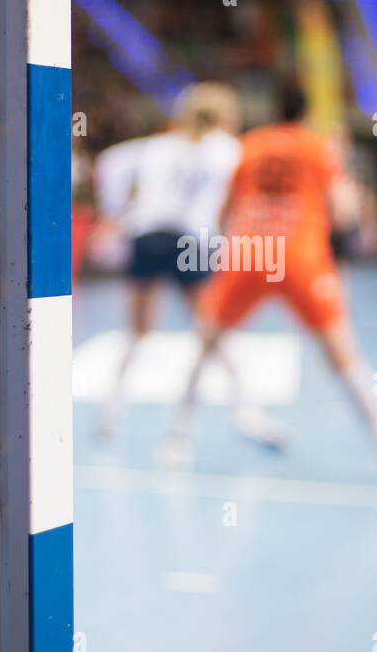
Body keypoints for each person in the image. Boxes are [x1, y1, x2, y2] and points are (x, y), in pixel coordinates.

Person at [160, 85, 377, 483]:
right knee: (343, 355)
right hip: (299, 255)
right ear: (306, 112)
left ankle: (176, 441)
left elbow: (223, 212)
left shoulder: (248, 145)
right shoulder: (317, 146)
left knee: (206, 344)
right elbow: (343, 211)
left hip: (249, 251)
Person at [91, 82, 277, 444]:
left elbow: (111, 162)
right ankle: (233, 413)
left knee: (138, 331)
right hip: (190, 242)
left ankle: (110, 412)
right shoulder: (227, 149)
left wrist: (112, 214)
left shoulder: (159, 145)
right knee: (211, 330)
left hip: (146, 236)